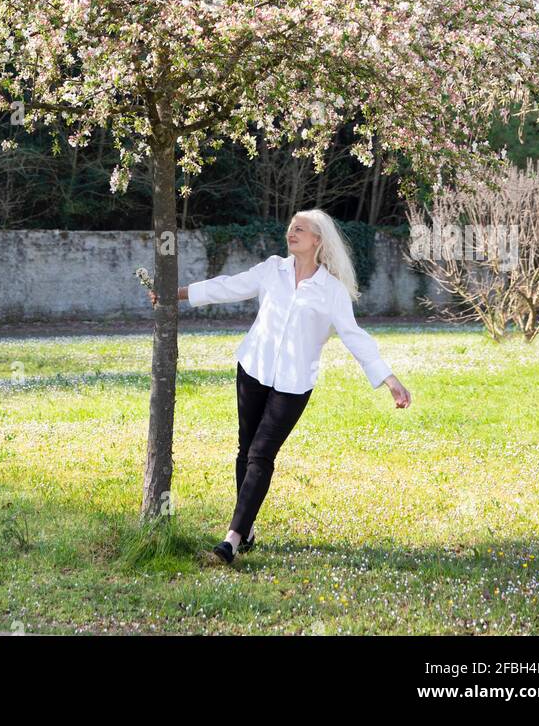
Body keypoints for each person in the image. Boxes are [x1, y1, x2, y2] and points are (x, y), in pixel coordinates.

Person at [152, 208, 411, 565]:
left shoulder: (331, 291)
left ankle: (231, 538)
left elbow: (355, 336)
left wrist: (389, 379)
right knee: (245, 450)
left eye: (300, 229)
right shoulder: (272, 269)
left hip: (293, 383)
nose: (291, 233)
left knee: (261, 455)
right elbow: (228, 286)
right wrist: (176, 293)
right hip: (253, 369)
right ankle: (248, 529)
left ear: (317, 241)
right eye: (291, 228)